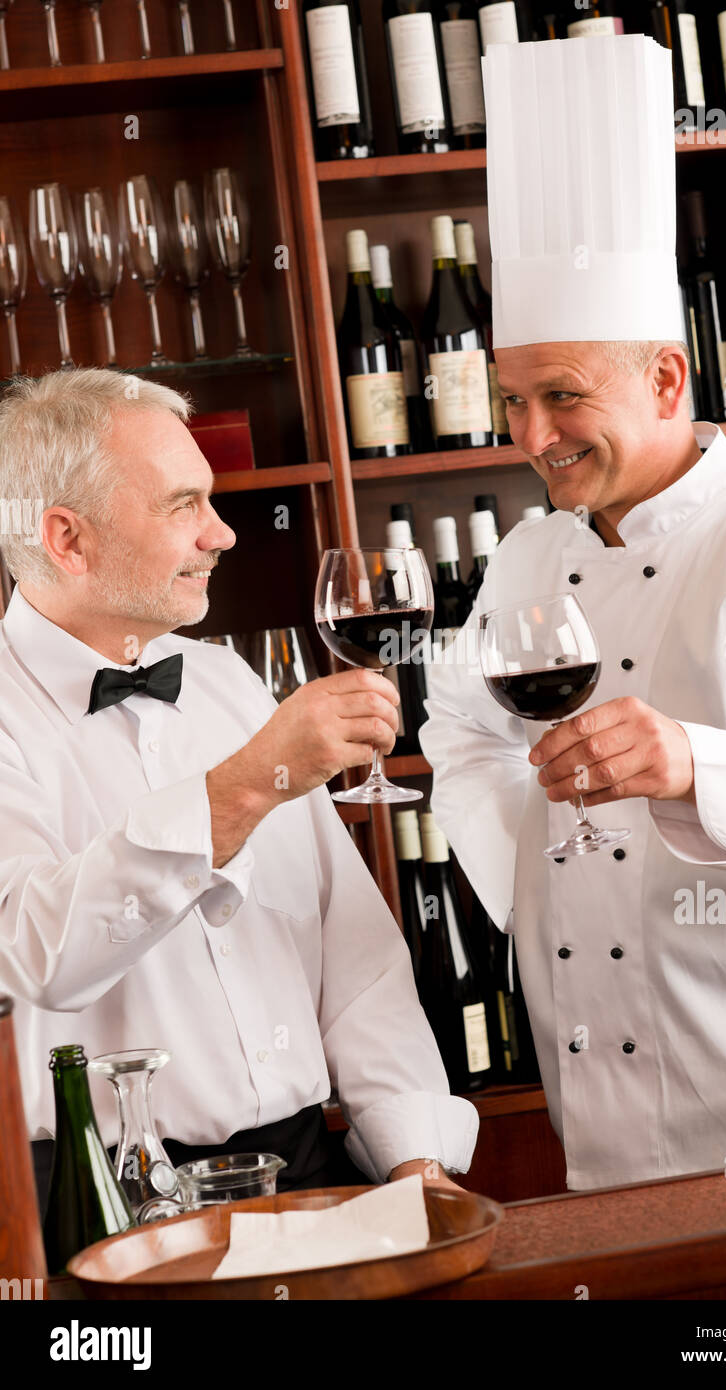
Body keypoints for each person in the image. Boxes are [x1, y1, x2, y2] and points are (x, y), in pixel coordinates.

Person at [419, 35, 726, 1191]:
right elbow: (460, 726)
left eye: (562, 395)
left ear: (666, 380)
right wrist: (534, 847)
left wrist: (691, 765)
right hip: (597, 1130)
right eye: (512, 400)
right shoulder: (522, 559)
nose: (530, 438)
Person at [0, 368, 478, 1209]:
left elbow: (352, 953)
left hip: (307, 1177)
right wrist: (249, 786)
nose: (221, 534)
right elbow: (34, 952)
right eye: (183, 505)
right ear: (67, 539)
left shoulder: (230, 684)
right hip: (98, 1201)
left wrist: (414, 1159)